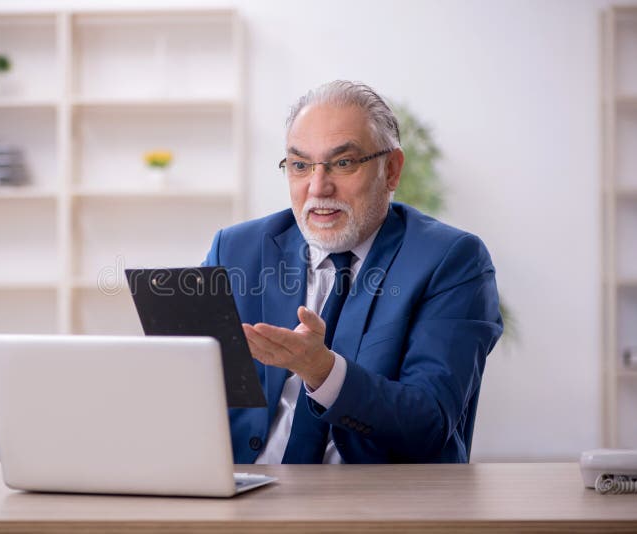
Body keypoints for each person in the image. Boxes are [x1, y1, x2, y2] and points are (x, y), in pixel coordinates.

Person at [203, 80, 503, 464]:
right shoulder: (234, 249)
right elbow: (192, 387)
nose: (318, 187)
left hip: (376, 495)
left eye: (343, 163)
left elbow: (429, 422)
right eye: (300, 165)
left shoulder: (451, 260)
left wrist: (322, 371)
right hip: (247, 487)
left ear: (391, 170)